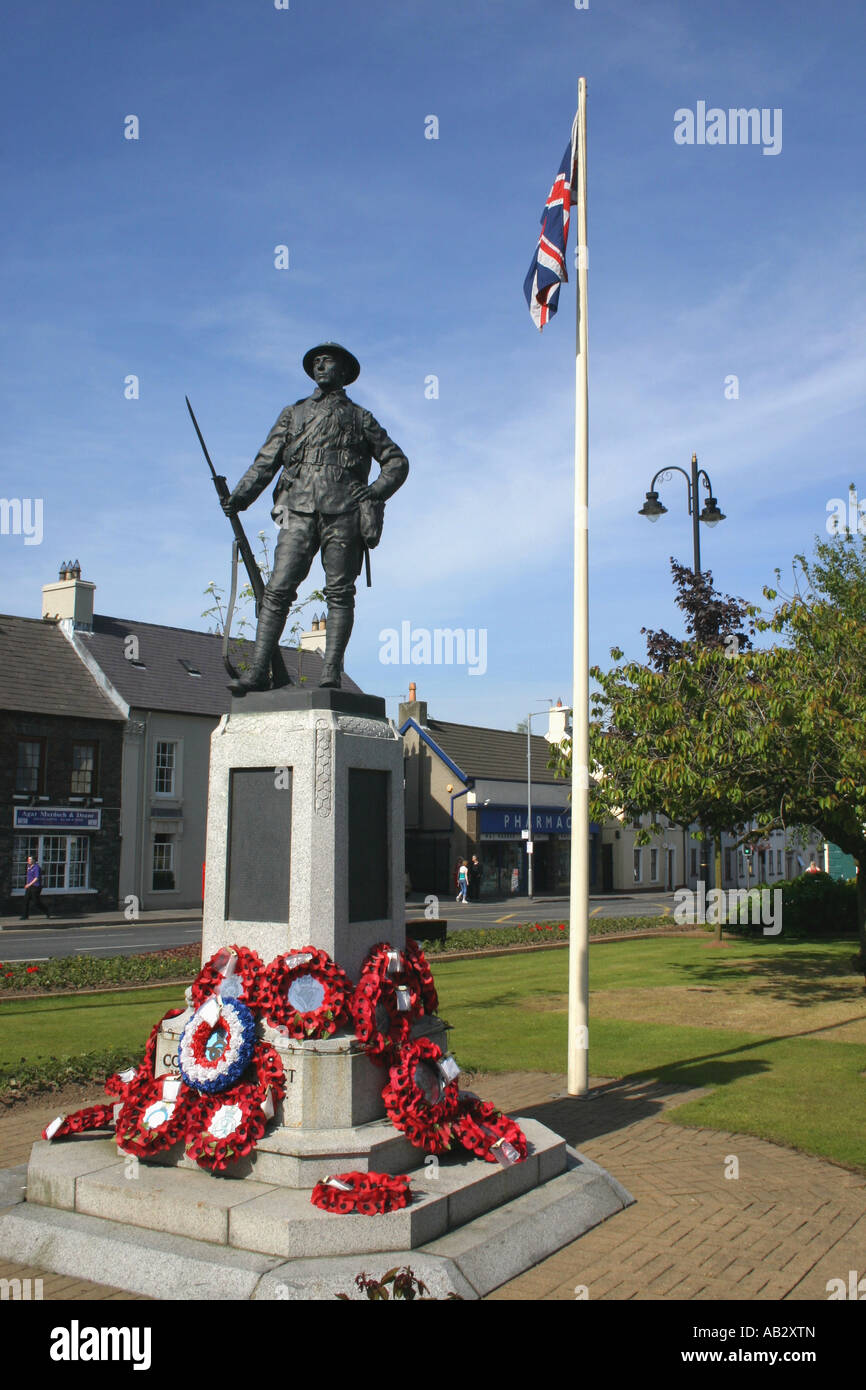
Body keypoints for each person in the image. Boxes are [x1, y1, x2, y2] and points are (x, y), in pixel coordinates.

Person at [222, 343, 409, 691]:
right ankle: (259, 671)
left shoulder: (360, 417)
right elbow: (266, 461)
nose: (322, 367)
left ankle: (331, 673)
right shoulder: (292, 414)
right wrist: (240, 496)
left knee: (339, 593)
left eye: (329, 362)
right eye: (317, 363)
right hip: (297, 510)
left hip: (343, 512)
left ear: (343, 372)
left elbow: (396, 461)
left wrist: (374, 492)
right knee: (277, 589)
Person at [20, 855, 51, 920]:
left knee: (36, 902)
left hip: (36, 887)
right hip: (29, 886)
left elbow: (36, 878)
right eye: (28, 859)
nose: (28, 861)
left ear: (34, 860)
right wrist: (28, 884)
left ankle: (47, 911)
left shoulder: (37, 867)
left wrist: (29, 884)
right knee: (26, 900)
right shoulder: (28, 867)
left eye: (30, 859)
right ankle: (25, 916)